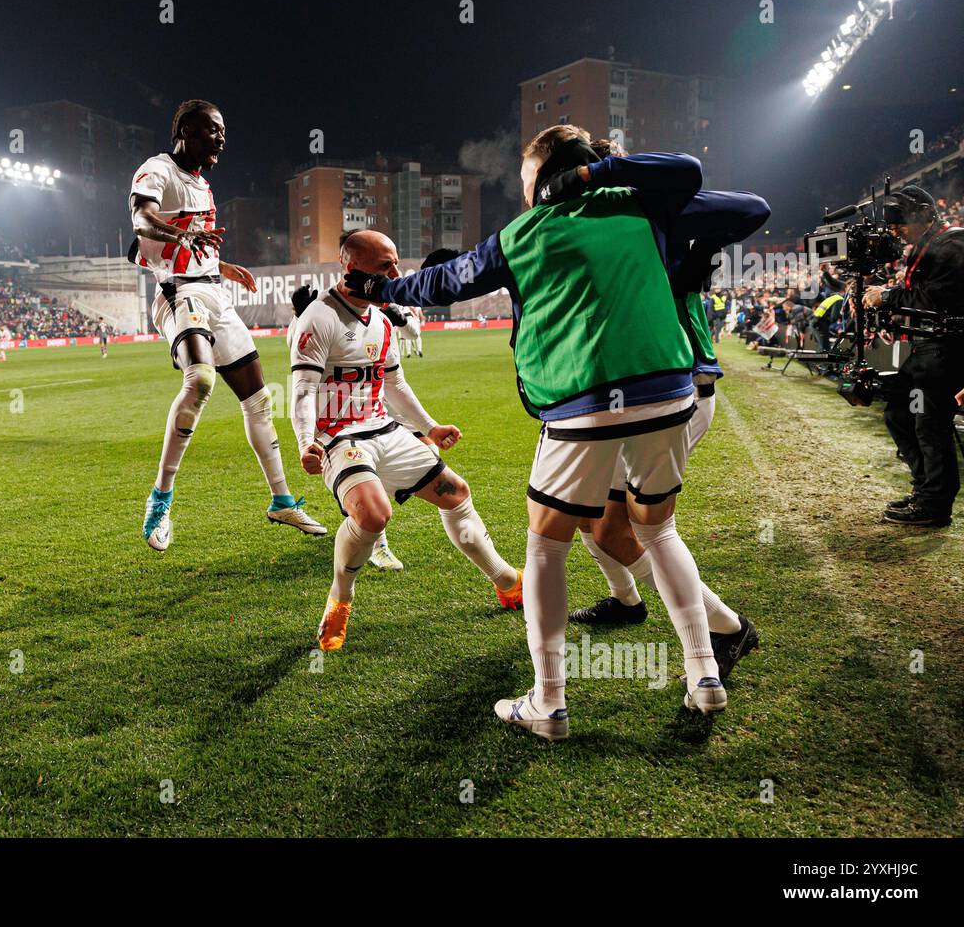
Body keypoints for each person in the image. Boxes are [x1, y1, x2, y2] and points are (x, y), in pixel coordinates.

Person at [346, 125, 748, 738]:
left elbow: (443, 284)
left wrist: (381, 289)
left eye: (530, 174)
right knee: (658, 528)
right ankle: (704, 675)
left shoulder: (525, 231)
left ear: (549, 172)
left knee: (545, 544)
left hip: (583, 405)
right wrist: (605, 177)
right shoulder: (640, 203)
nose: (527, 187)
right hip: (670, 393)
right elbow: (704, 181)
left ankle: (549, 701)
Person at [564, 140, 769, 684]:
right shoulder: (594, 227)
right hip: (626, 396)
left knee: (642, 524)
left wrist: (613, 174)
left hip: (676, 390)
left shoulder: (656, 215)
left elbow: (753, 208)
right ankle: (629, 601)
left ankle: (724, 629)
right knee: (595, 520)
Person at [291, 230, 524, 651]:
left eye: (396, 263)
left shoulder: (381, 321)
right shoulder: (318, 318)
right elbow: (303, 390)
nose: (395, 274)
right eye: (385, 266)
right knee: (374, 516)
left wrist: (430, 427)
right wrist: (306, 441)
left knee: (456, 493)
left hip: (383, 428)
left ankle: (507, 581)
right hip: (338, 437)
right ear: (350, 265)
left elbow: (395, 383)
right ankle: (340, 600)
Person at [130, 99, 325, 551]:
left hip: (214, 294)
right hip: (178, 292)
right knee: (199, 380)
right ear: (184, 130)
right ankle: (160, 501)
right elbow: (143, 217)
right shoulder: (157, 169)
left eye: (223, 132)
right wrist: (182, 236)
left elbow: (199, 245)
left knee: (258, 400)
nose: (220, 139)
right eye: (211, 130)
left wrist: (224, 266)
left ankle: (281, 500)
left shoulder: (204, 186)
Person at [861, 185, 964, 526]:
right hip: (922, 348)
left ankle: (935, 505)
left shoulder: (955, 241)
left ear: (922, 215)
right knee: (898, 413)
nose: (895, 230)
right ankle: (924, 489)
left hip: (945, 350)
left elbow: (937, 295)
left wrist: (889, 296)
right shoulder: (926, 246)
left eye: (899, 222)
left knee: (929, 423)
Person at [288, 279, 405, 571]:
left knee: (367, 476)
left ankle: (368, 532)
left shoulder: (333, 320)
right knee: (362, 476)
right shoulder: (305, 328)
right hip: (331, 418)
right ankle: (378, 544)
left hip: (365, 408)